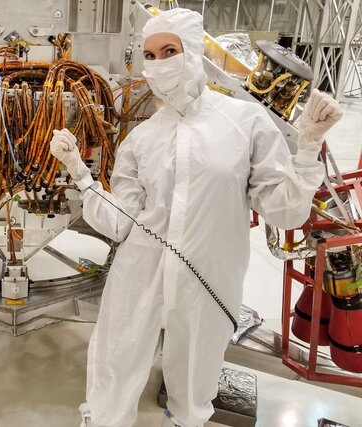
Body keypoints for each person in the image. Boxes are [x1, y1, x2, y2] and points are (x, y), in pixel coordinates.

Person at [49, 7, 342, 427]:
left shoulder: (245, 122)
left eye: (170, 51)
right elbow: (118, 223)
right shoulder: (142, 138)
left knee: (193, 383)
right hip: (139, 274)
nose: (159, 63)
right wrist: (81, 174)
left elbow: (285, 211)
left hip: (208, 278)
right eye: (150, 55)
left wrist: (308, 147)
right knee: (114, 368)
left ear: (192, 51)